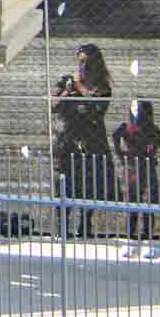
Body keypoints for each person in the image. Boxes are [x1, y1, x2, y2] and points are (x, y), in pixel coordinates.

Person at [50, 43, 115, 240]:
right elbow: (53, 106)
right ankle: (62, 225)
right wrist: (64, 92)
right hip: (69, 138)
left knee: (89, 183)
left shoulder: (102, 87)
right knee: (65, 182)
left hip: (91, 139)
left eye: (85, 61)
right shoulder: (69, 81)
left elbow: (97, 111)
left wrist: (79, 88)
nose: (82, 66)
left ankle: (85, 224)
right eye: (80, 61)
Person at [112, 99, 160, 257]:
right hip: (132, 172)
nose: (136, 114)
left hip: (147, 172)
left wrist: (157, 160)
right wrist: (121, 156)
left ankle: (148, 242)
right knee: (132, 207)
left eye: (140, 111)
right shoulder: (127, 128)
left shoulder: (152, 130)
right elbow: (115, 136)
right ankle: (130, 241)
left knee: (149, 208)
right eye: (134, 110)